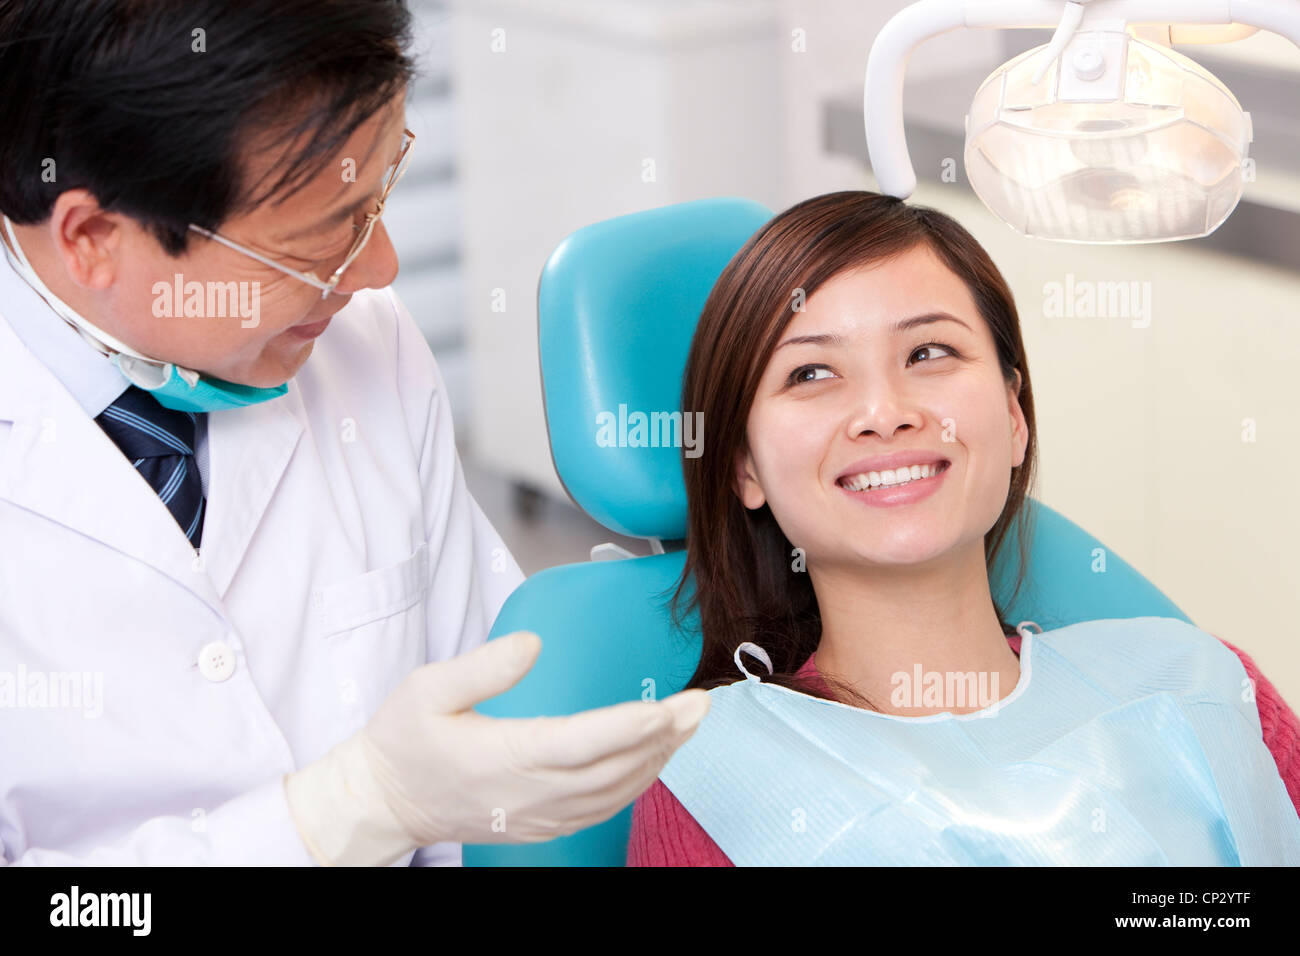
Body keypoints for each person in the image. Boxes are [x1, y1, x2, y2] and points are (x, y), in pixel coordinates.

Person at [0, 0, 708, 866]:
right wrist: (343, 814)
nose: (379, 269)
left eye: (377, 198)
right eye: (320, 240)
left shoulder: (359, 339)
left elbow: (483, 741)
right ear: (95, 239)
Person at [627, 190, 1300, 866]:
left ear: (1014, 416)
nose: (883, 413)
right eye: (812, 372)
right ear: (745, 467)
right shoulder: (716, 783)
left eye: (928, 352)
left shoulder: (1203, 685)